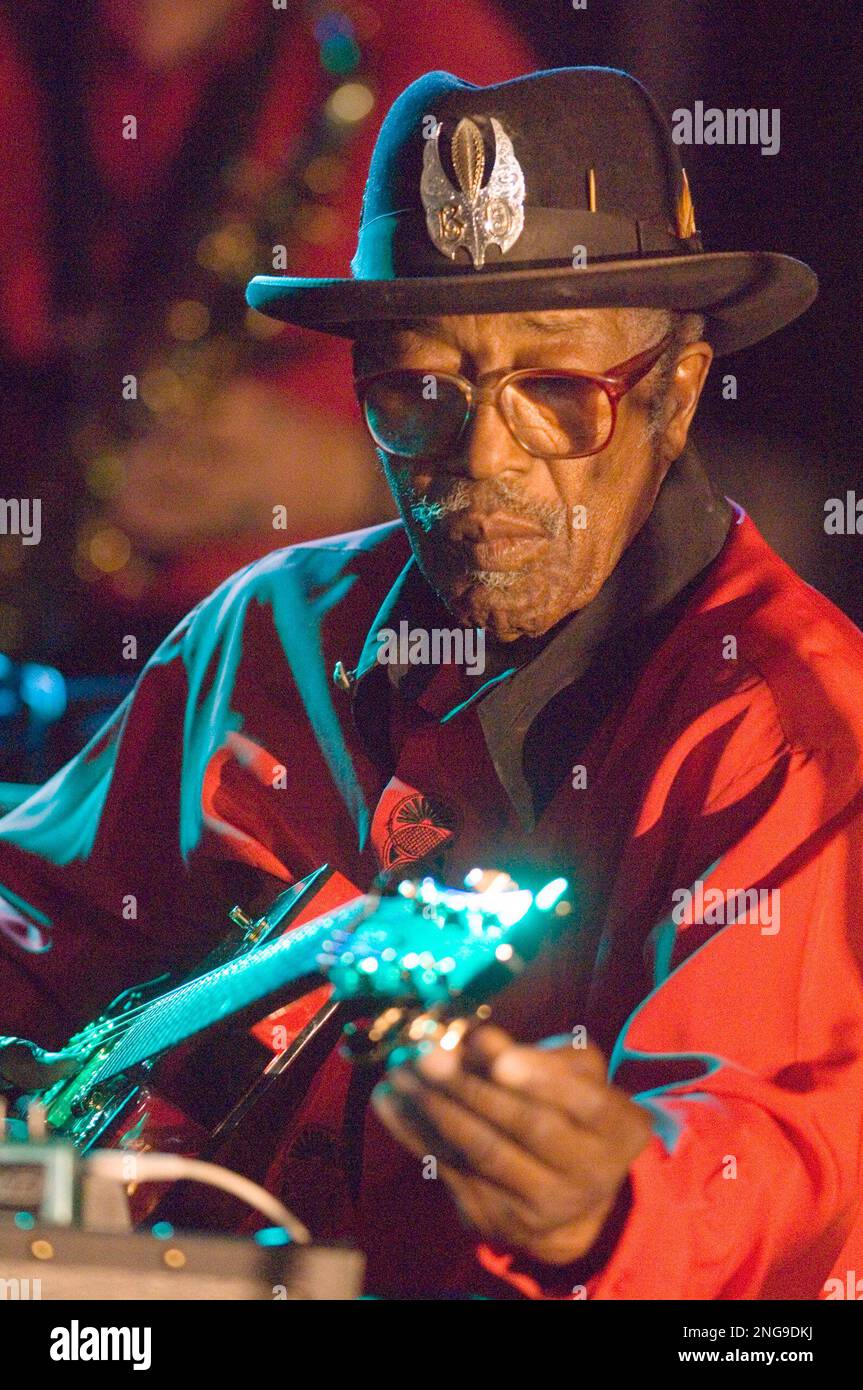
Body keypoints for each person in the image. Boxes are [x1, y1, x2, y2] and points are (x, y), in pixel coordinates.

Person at [1, 65, 861, 1301]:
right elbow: (31, 915)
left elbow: (767, 1155)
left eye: (557, 393)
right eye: (417, 391)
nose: (480, 458)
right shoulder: (273, 626)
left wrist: (608, 1207)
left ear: (673, 393)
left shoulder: (785, 730)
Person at [0, 0, 533, 691]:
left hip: (339, 669)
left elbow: (570, 425)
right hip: (59, 650)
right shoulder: (33, 39)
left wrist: (352, 478)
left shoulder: (428, 51)